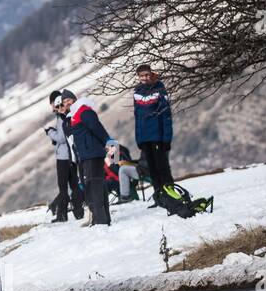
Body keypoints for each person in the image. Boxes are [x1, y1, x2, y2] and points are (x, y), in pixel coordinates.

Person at [58, 90, 119, 226]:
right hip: (86, 155)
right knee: (96, 185)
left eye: (68, 100)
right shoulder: (74, 114)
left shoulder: (84, 111)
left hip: (92, 153)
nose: (66, 103)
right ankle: (102, 218)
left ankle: (100, 220)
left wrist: (110, 145)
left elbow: (98, 129)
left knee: (94, 186)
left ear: (75, 99)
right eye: (64, 102)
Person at [133, 64, 174, 205]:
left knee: (162, 166)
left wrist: (166, 139)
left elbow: (166, 115)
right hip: (145, 138)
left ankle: (171, 195)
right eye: (141, 75)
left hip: (158, 136)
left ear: (151, 74)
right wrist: (138, 138)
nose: (144, 78)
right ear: (138, 77)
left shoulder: (159, 88)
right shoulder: (137, 91)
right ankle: (159, 197)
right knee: (151, 169)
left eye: (146, 75)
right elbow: (137, 117)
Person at [44, 91, 83, 222]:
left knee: (63, 186)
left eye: (51, 104)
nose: (51, 107)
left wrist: (50, 132)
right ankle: (79, 212)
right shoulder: (67, 114)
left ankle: (62, 215)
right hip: (72, 155)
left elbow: (61, 138)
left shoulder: (60, 118)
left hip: (63, 157)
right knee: (74, 185)